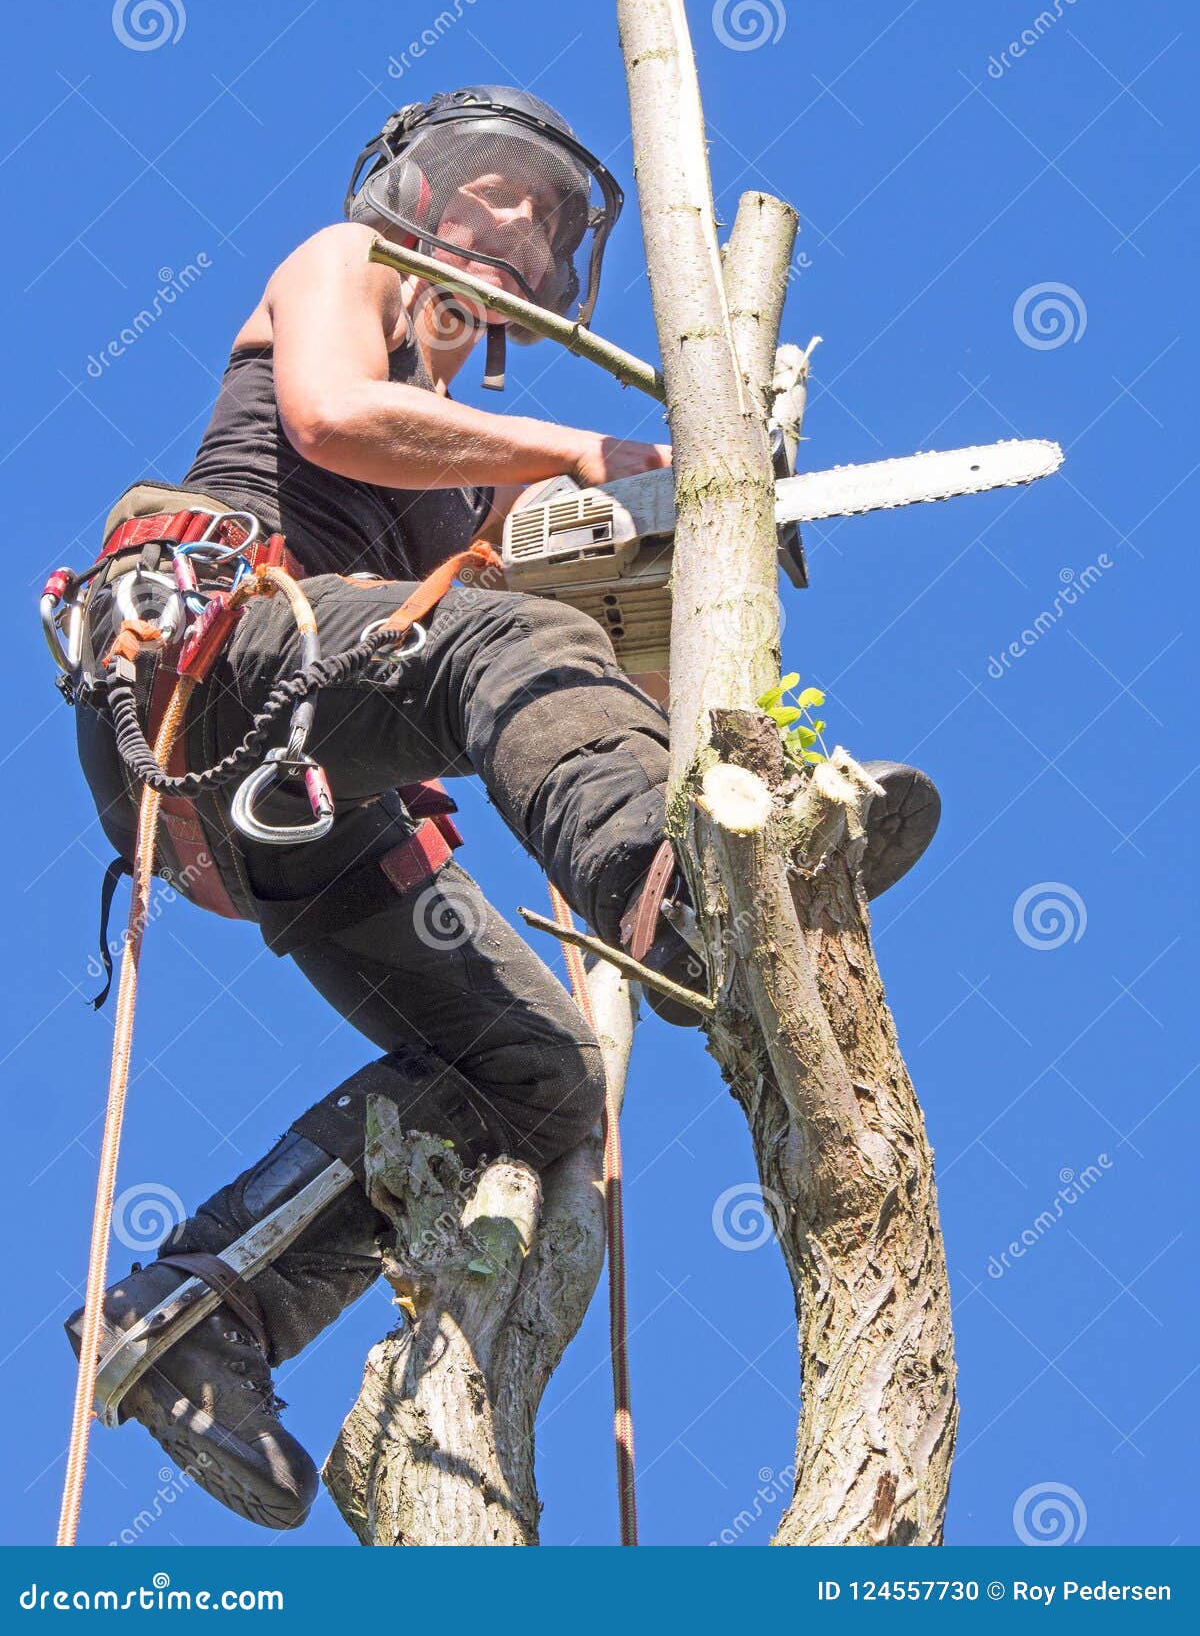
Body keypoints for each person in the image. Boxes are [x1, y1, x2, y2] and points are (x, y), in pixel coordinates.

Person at [64, 86, 941, 1529]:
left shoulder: (469, 477)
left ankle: (201, 1315)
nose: (517, 226)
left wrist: (697, 551)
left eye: (546, 222)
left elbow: (561, 671)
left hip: (312, 779)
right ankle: (677, 887)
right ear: (417, 191)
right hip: (210, 667)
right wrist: (577, 454)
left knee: (542, 1078)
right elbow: (337, 417)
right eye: (494, 193)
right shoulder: (340, 271)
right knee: (501, 642)